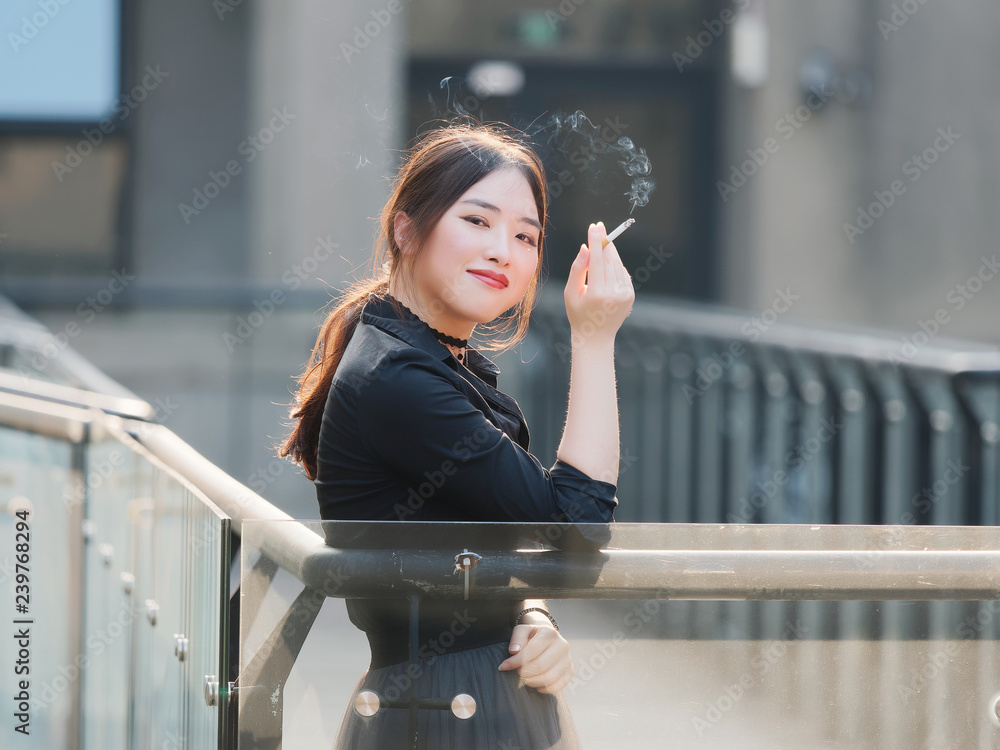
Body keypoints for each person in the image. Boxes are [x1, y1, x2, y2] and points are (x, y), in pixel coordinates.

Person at [278, 120, 634, 749]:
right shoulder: (399, 381)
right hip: (446, 710)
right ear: (405, 229)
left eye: (526, 236)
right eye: (477, 221)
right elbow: (574, 528)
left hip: (462, 691)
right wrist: (596, 335)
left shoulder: (426, 358)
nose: (504, 249)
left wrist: (529, 613)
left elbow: (485, 533)